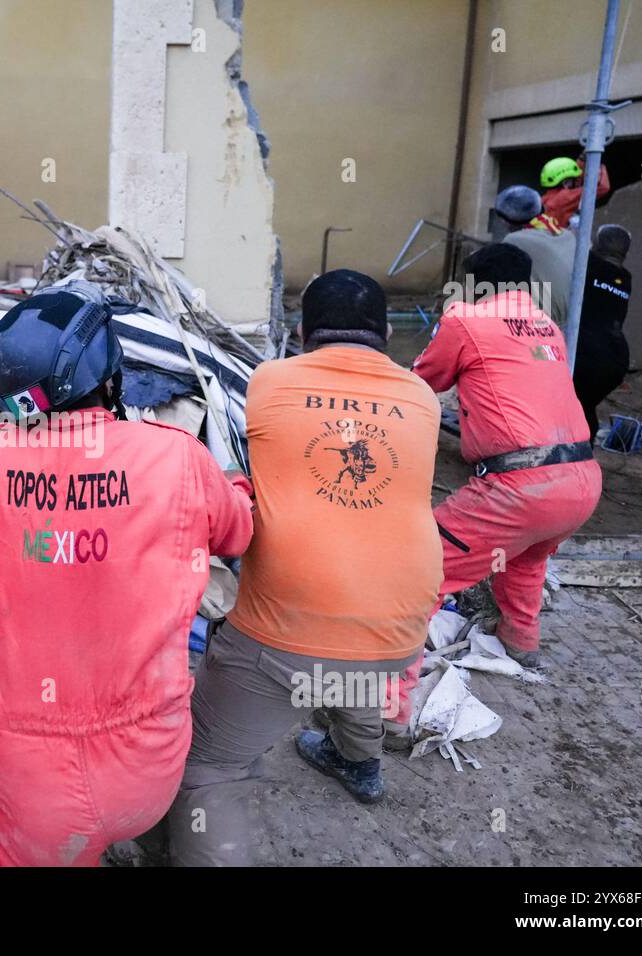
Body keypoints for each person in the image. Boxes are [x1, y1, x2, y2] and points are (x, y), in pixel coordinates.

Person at [0, 281, 254, 866]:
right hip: (150, 762)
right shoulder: (177, 457)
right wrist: (233, 487)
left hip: (31, 780)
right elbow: (236, 534)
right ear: (110, 375)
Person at [158, 270, 442, 866]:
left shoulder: (270, 380)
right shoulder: (420, 397)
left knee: (210, 766)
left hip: (284, 632)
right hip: (401, 626)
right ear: (388, 332)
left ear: (300, 332)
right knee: (356, 643)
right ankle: (360, 761)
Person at [410, 244, 602, 672]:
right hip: (581, 482)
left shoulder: (465, 320)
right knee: (524, 560)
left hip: (521, 488)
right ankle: (520, 644)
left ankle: (389, 680)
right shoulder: (546, 325)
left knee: (422, 561)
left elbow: (419, 383)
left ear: (472, 284)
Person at [573, 225, 633, 440]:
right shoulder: (625, 279)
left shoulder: (586, 265)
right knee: (584, 405)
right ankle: (583, 452)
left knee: (572, 403)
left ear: (597, 245)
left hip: (588, 353)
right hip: (616, 359)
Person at [497, 184, 576, 329]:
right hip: (576, 321)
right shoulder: (566, 234)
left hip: (544, 326)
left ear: (506, 221)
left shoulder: (514, 240)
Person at [538, 154, 611, 232]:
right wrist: (597, 164)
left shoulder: (545, 199)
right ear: (565, 183)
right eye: (575, 180)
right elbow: (601, 187)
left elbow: (577, 177)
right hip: (564, 241)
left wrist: (582, 159)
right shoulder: (564, 197)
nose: (577, 182)